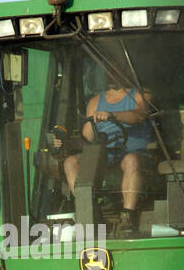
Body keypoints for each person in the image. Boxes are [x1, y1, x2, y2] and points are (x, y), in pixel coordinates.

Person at [63, 84, 156, 235]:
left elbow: (139, 115)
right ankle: (91, 215)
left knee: (131, 160)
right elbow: (88, 137)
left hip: (134, 152)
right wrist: (66, 142)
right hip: (106, 154)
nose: (111, 69)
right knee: (70, 162)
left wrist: (113, 115)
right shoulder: (95, 102)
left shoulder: (141, 94)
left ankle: (127, 218)